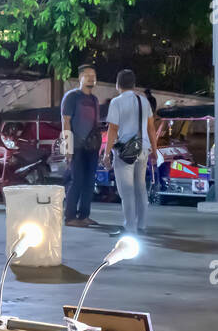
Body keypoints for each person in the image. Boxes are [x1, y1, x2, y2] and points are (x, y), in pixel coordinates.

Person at [103, 69, 157, 236]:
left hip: (125, 151)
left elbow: (113, 129)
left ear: (118, 84)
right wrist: (154, 150)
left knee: (126, 190)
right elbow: (150, 127)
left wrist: (106, 154)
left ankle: (130, 227)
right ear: (134, 85)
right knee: (140, 188)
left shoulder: (116, 102)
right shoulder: (144, 101)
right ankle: (141, 225)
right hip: (142, 149)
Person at [61, 65, 102, 227]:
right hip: (76, 147)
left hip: (91, 148)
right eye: (87, 75)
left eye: (94, 75)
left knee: (89, 182)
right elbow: (66, 121)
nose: (91, 78)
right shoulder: (72, 97)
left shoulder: (94, 99)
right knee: (76, 181)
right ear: (80, 78)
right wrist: (67, 147)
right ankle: (70, 217)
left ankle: (84, 215)